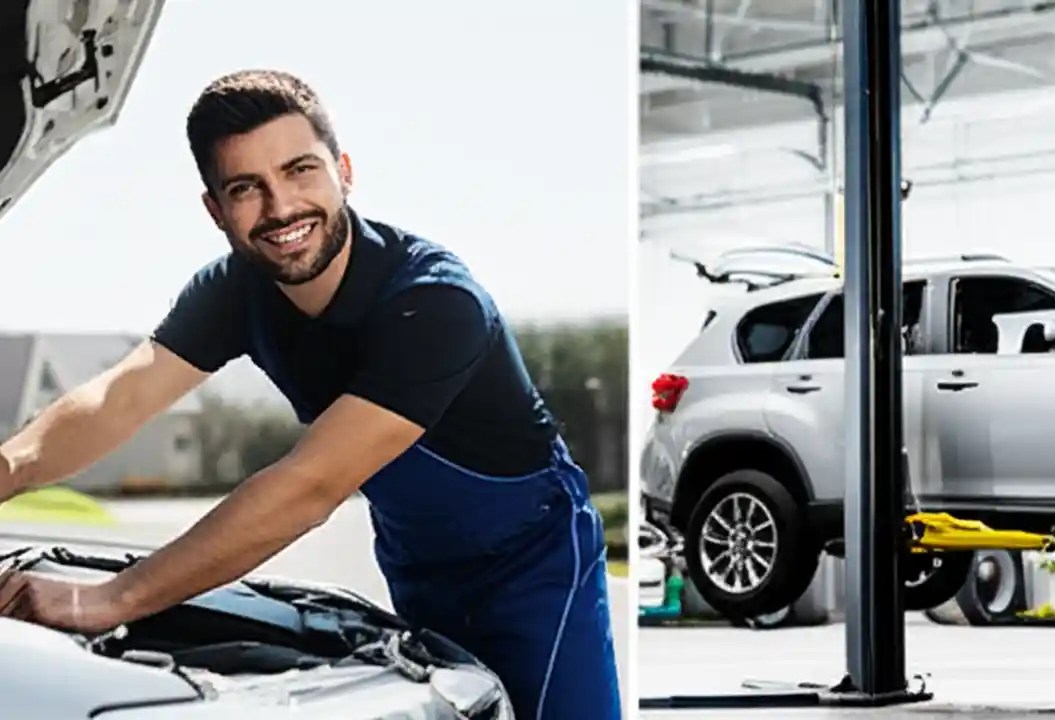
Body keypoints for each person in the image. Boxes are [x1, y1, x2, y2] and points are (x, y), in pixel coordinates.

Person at [0, 69, 621, 720]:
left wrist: (112, 600)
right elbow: (119, 398)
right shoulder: (235, 291)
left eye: (300, 171)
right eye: (246, 188)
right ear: (215, 210)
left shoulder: (436, 303)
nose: (281, 208)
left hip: (534, 565)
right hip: (417, 561)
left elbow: (309, 484)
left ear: (343, 171)